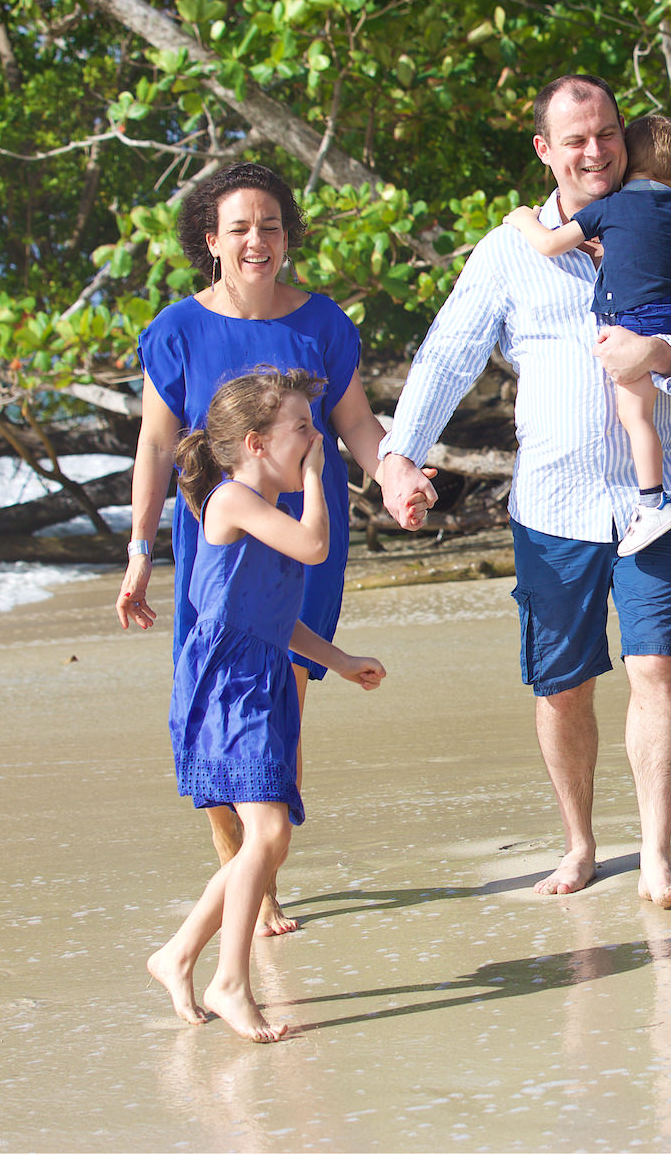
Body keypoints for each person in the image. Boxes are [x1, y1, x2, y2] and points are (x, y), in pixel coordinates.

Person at [377, 75, 671, 906]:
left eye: (607, 133)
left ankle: (656, 853)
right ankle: (580, 844)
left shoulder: (667, 219)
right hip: (552, 505)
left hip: (661, 500)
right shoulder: (512, 247)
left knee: (658, 669)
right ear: (545, 150)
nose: (595, 151)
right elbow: (448, 353)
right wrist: (400, 455)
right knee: (562, 682)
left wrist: (663, 358)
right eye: (575, 139)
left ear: (625, 136)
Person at [115, 162, 386, 937]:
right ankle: (245, 872)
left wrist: (393, 475)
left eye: (269, 225)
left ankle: (262, 864)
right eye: (240, 227)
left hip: (309, 541)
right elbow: (156, 446)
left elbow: (358, 422)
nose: (257, 240)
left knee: (283, 701)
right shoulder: (176, 330)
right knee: (224, 707)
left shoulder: (323, 323)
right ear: (212, 240)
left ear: (286, 235)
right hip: (219, 542)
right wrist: (139, 550)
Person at [144, 366, 385, 1041]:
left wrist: (340, 659)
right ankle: (229, 981)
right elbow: (316, 544)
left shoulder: (265, 512)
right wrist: (317, 475)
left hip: (262, 678)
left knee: (267, 841)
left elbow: (275, 617)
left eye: (314, 428)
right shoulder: (230, 502)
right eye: (303, 429)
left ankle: (179, 953)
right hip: (225, 687)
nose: (315, 438)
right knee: (269, 835)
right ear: (255, 444)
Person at [504, 114, 671, 554]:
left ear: (627, 165)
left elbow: (550, 244)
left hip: (637, 324)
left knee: (635, 417)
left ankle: (652, 502)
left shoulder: (611, 207)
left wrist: (522, 220)